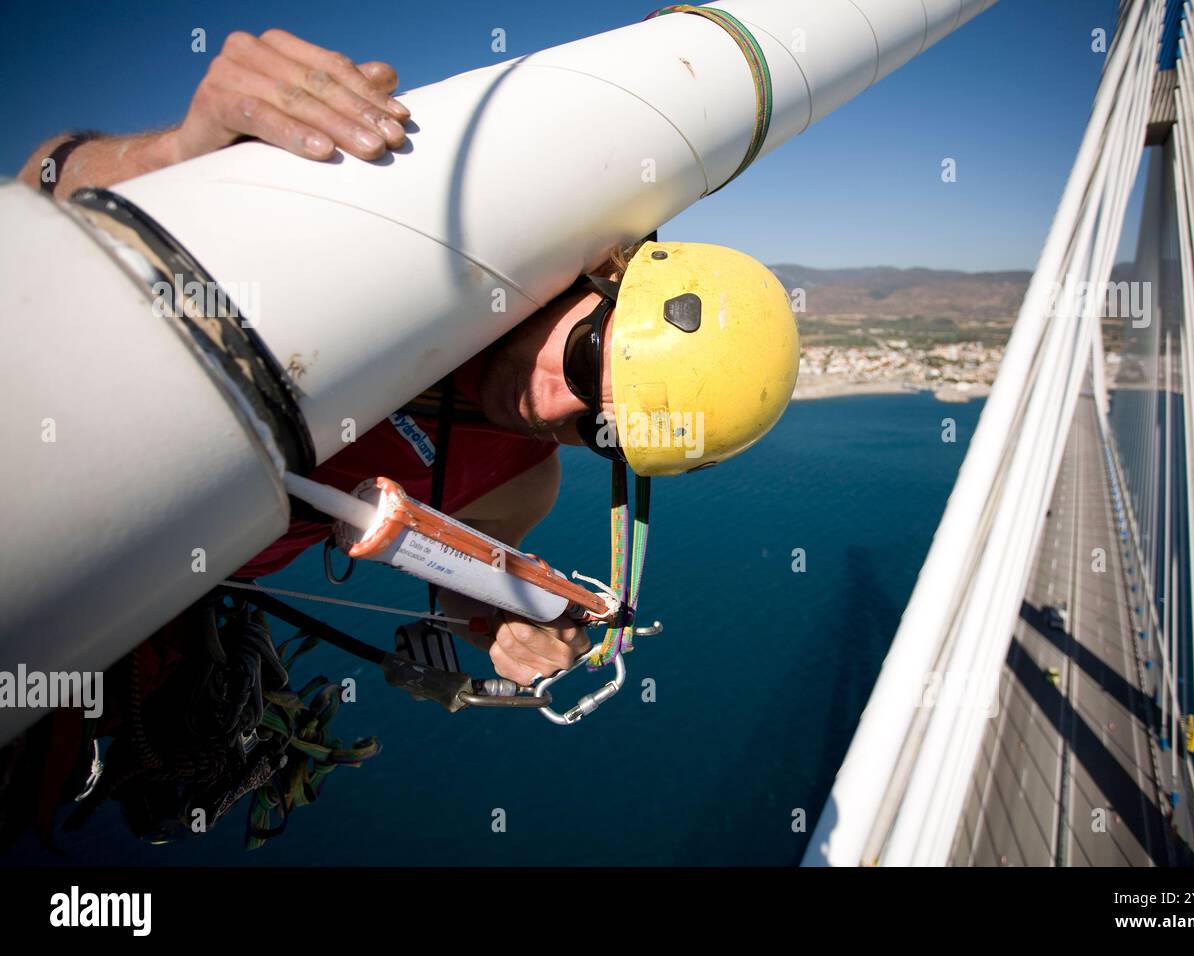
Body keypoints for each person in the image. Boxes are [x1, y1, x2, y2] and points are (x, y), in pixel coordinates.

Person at [6, 28, 800, 849]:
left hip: (125, 607)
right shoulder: (389, 241)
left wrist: (504, 629)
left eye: (600, 429)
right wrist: (177, 158)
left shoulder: (522, 479)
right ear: (605, 273)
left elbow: (466, 568)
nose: (556, 408)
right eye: (589, 357)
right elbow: (42, 180)